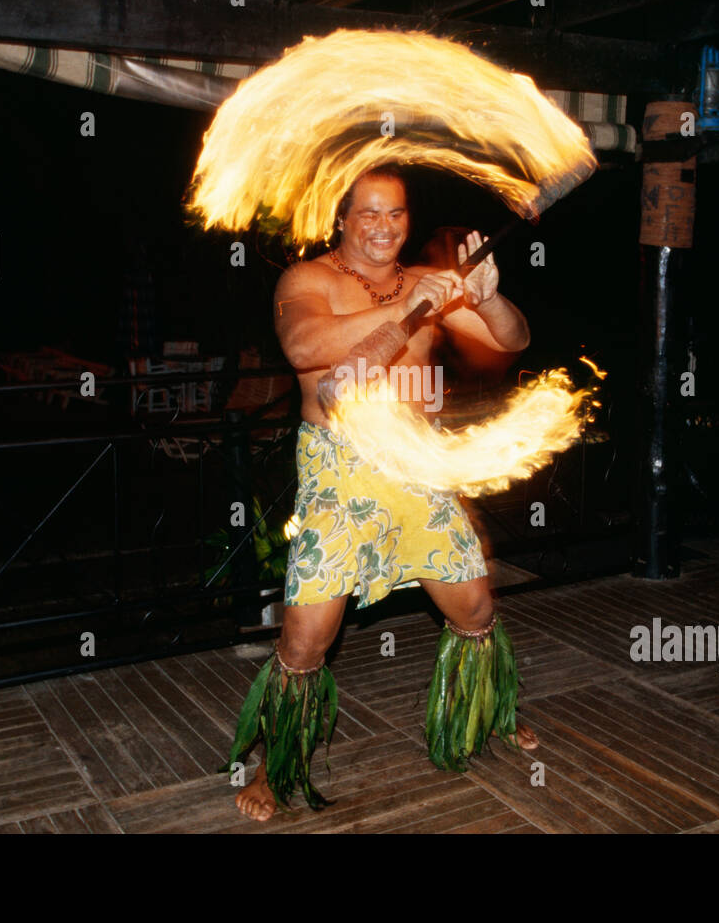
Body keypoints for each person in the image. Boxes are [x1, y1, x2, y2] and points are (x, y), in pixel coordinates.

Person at [225, 164, 538, 821]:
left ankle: (486, 716)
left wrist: (485, 297)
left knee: (476, 607)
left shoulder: (427, 286)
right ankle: (273, 765)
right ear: (342, 219)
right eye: (367, 213)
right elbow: (307, 346)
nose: (382, 227)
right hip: (340, 469)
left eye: (394, 214)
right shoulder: (307, 281)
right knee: (308, 636)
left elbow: (513, 341)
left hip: (416, 466)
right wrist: (407, 306)